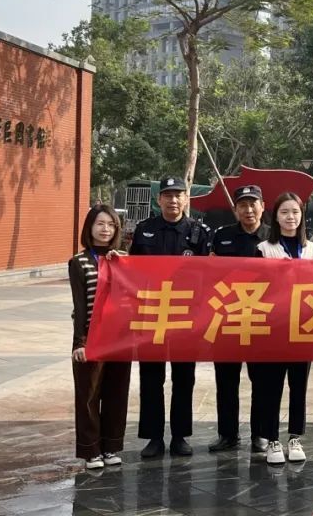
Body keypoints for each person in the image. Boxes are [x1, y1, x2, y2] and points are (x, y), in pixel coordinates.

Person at [129, 176, 212, 458]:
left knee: (183, 377)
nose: (173, 200)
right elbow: (130, 272)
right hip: (151, 315)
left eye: (178, 195)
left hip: (184, 317)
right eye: (167, 195)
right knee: (151, 377)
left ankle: (179, 436)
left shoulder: (198, 232)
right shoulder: (145, 231)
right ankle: (154, 437)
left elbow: (207, 276)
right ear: (159, 199)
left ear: (186, 199)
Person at [253, 191, 313, 465]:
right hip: (273, 327)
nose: (290, 217)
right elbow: (254, 288)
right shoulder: (264, 249)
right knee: (271, 385)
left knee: (298, 384)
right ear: (275, 217)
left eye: (295, 212)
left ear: (301, 215)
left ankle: (294, 436)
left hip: (304, 326)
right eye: (284, 212)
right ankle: (272, 439)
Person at [208, 185, 268, 459]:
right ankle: (228, 434)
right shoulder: (221, 237)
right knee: (226, 380)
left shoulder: (272, 236)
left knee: (262, 381)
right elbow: (206, 273)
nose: (248, 209)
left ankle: (260, 434)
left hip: (262, 319)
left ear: (263, 207)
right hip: (228, 317)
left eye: (253, 204)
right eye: (242, 205)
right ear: (235, 209)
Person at [70, 205, 131, 469]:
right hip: (92, 338)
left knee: (117, 394)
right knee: (89, 396)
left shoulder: (125, 260)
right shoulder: (79, 262)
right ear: (89, 228)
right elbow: (80, 305)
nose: (105, 230)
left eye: (111, 225)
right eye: (100, 224)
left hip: (119, 338)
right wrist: (80, 342)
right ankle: (91, 450)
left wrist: (123, 264)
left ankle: (111, 447)